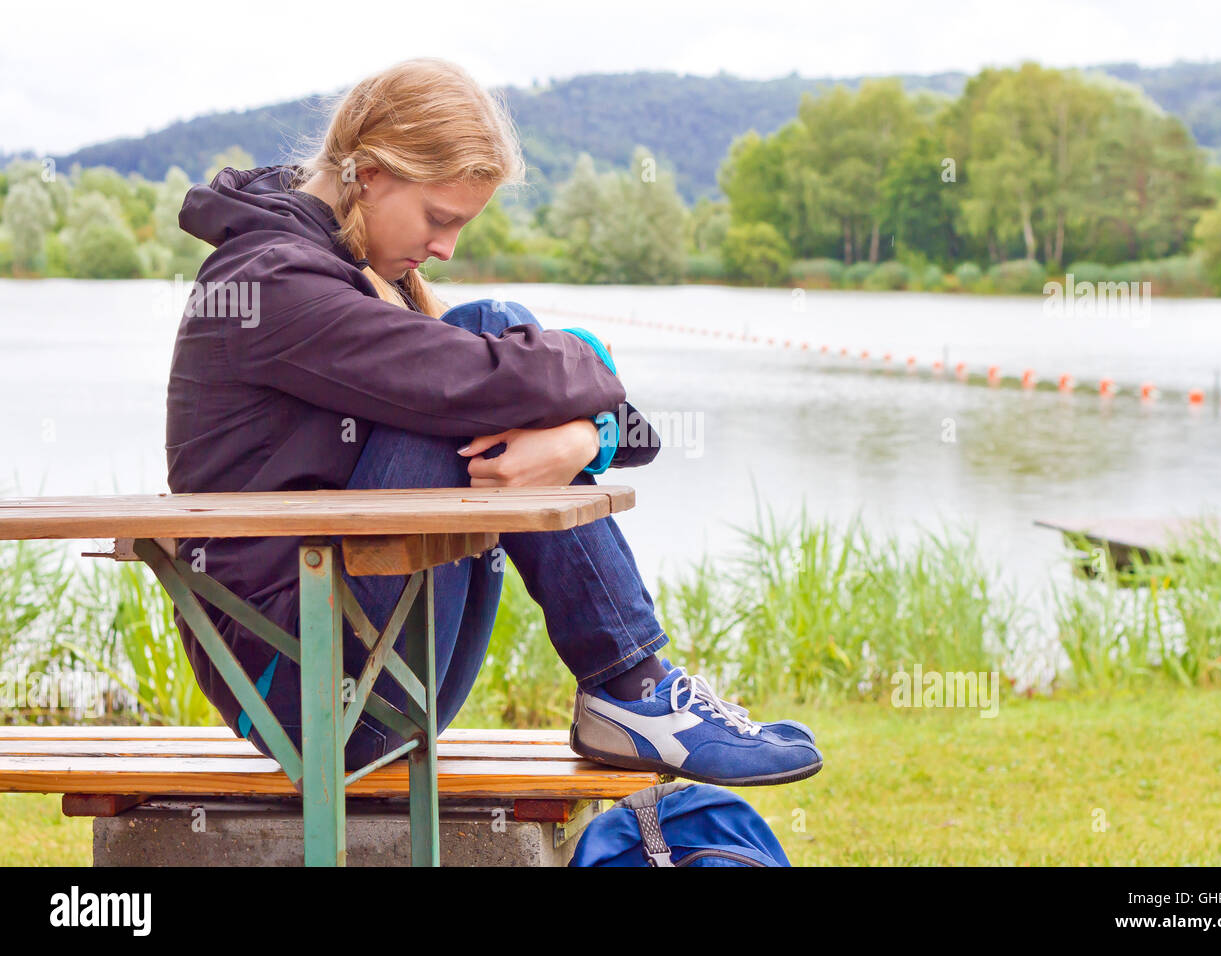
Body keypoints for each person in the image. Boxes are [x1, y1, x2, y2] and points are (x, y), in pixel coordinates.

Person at [165, 56, 821, 787]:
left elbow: (631, 434)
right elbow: (485, 384)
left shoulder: (333, 271)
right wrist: (592, 377)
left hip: (389, 679)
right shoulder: (267, 283)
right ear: (371, 174)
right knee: (491, 329)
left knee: (487, 337)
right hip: (307, 696)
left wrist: (582, 437)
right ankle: (630, 687)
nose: (445, 249)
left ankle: (631, 689)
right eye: (439, 219)